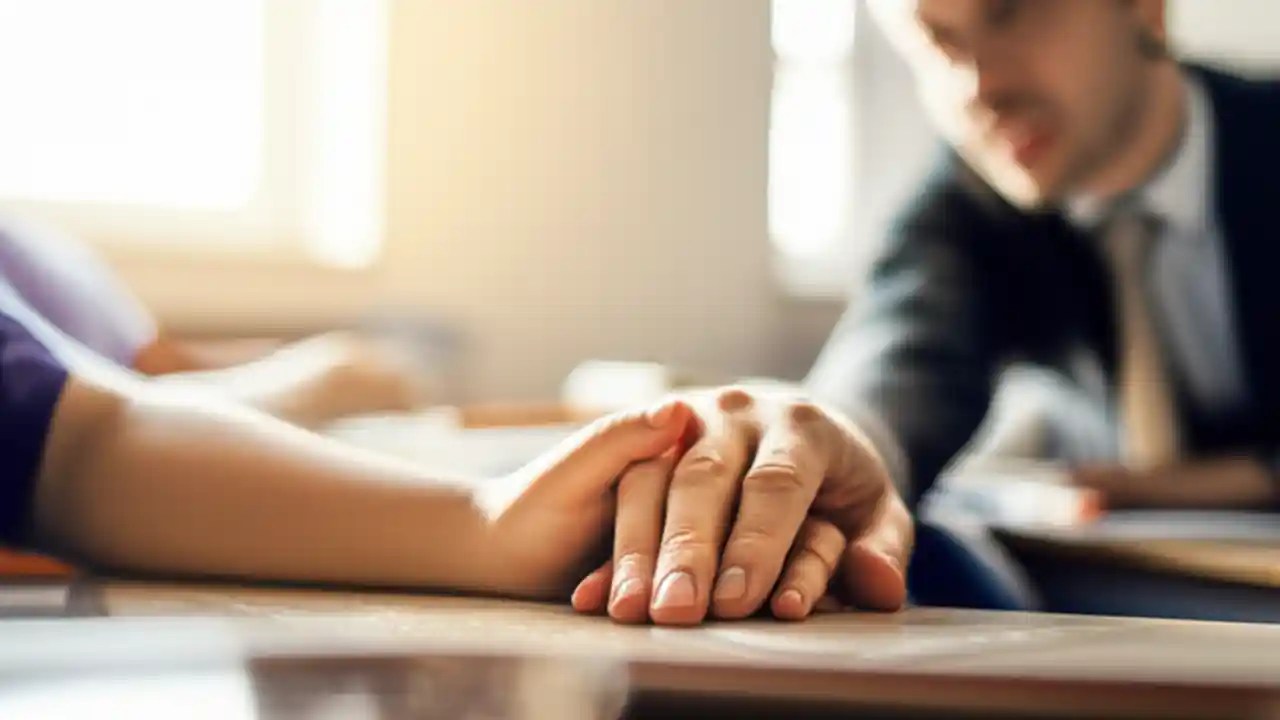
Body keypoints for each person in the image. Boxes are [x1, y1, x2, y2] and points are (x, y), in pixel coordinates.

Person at [572, 0, 1280, 618]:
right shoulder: (967, 206)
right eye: (937, 42)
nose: (978, 87)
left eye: (1008, 11)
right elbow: (901, 352)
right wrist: (816, 447)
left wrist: (1237, 479)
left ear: (1145, 5)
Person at [0, 216, 428, 428]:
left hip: (142, 391)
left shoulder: (26, 243)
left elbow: (157, 356)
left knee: (365, 370)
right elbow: (155, 364)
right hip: (136, 408)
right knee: (355, 372)